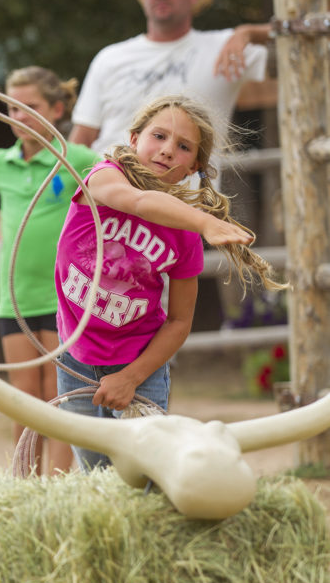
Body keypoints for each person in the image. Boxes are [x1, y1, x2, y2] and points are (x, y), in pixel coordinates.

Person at [55, 95, 287, 470]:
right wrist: (205, 222)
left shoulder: (183, 235)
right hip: (75, 357)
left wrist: (130, 377)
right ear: (134, 139)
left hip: (140, 362)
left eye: (182, 147)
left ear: (195, 164)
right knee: (93, 473)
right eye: (158, 136)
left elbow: (179, 321)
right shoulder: (102, 176)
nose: (166, 151)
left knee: (144, 471)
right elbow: (139, 201)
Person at [0, 66, 99, 475]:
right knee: (24, 396)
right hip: (15, 297)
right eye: (12, 108)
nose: (19, 117)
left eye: (31, 108)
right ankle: (24, 483)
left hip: (65, 296)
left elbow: (109, 202)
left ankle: (55, 486)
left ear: (57, 109)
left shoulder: (78, 159)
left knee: (62, 396)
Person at [69, 0, 271, 158]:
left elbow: (298, 34)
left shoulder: (226, 48)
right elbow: (80, 141)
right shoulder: (108, 58)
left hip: (187, 192)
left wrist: (248, 33)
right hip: (108, 189)